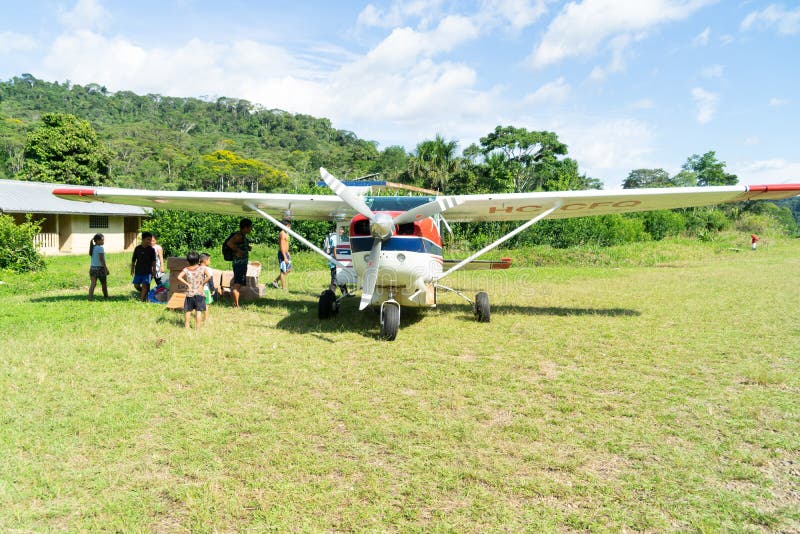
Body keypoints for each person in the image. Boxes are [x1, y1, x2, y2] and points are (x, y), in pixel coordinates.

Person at [177, 251, 211, 329]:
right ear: (198, 260)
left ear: (188, 261)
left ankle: (186, 326)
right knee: (198, 311)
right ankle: (197, 327)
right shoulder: (203, 268)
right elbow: (208, 276)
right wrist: (202, 284)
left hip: (190, 293)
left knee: (188, 311)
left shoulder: (186, 269)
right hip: (199, 292)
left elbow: (179, 277)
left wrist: (188, 284)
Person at [226, 218, 253, 308]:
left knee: (238, 283)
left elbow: (237, 244)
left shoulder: (242, 236)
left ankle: (235, 303)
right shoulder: (239, 235)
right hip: (239, 264)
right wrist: (238, 251)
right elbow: (229, 243)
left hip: (241, 263)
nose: (250, 229)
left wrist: (246, 248)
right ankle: (236, 305)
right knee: (238, 284)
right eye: (250, 227)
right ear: (245, 227)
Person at [130, 232, 157, 302]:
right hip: (138, 270)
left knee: (145, 285)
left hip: (147, 271)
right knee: (136, 285)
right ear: (143, 239)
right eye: (148, 239)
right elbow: (133, 259)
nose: (149, 241)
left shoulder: (151, 250)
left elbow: (154, 261)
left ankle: (142, 299)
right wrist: (132, 268)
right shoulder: (137, 248)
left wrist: (154, 270)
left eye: (150, 240)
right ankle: (146, 293)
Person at [324, 225, 348, 295]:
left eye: (343, 229)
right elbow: (335, 250)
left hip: (340, 261)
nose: (342, 231)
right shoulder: (334, 237)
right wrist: (338, 260)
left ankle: (345, 293)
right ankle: (330, 294)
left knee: (341, 277)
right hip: (335, 262)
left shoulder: (341, 237)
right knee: (334, 278)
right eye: (340, 229)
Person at [88, 233, 109, 301]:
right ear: (97, 240)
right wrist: (106, 268)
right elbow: (101, 259)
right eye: (102, 240)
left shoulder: (93, 247)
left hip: (92, 268)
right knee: (104, 283)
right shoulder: (100, 248)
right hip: (100, 269)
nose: (103, 241)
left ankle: (90, 298)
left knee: (93, 283)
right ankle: (106, 296)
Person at [272, 220, 292, 290]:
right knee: (283, 271)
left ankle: (275, 281)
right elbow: (281, 246)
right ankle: (284, 288)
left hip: (286, 253)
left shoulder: (286, 233)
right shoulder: (282, 234)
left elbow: (286, 244)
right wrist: (284, 256)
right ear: (286, 226)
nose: (290, 228)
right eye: (289, 226)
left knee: (289, 269)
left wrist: (288, 253)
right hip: (282, 254)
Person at [199, 252, 215, 322]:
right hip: (206, 290)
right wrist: (212, 289)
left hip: (198, 290)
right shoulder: (208, 269)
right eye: (209, 260)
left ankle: (198, 317)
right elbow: (210, 281)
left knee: (198, 305)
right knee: (206, 305)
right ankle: (205, 320)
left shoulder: (197, 268)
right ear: (205, 261)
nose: (210, 262)